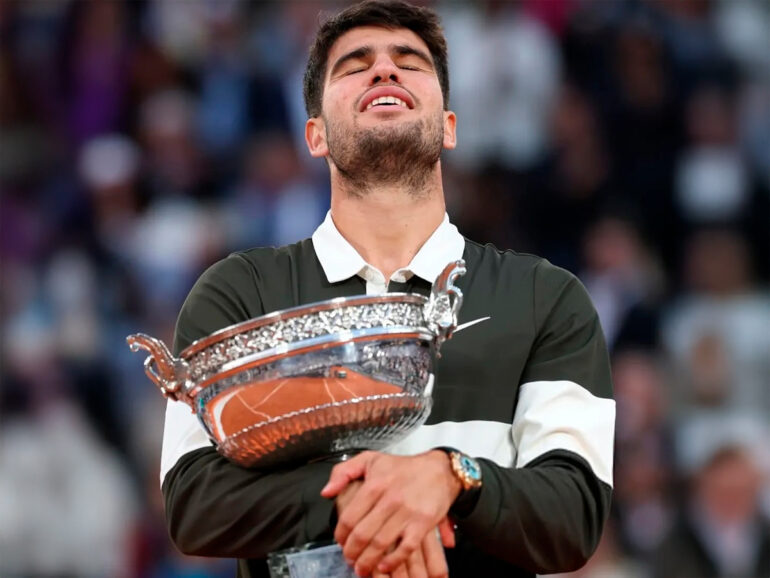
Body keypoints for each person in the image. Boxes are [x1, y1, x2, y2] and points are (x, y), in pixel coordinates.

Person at [159, 2, 615, 577]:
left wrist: (452, 477)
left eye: (409, 61)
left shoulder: (544, 297)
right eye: (354, 65)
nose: (383, 70)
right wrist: (371, 492)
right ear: (315, 135)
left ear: (449, 126)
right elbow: (195, 503)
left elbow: (574, 513)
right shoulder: (240, 292)